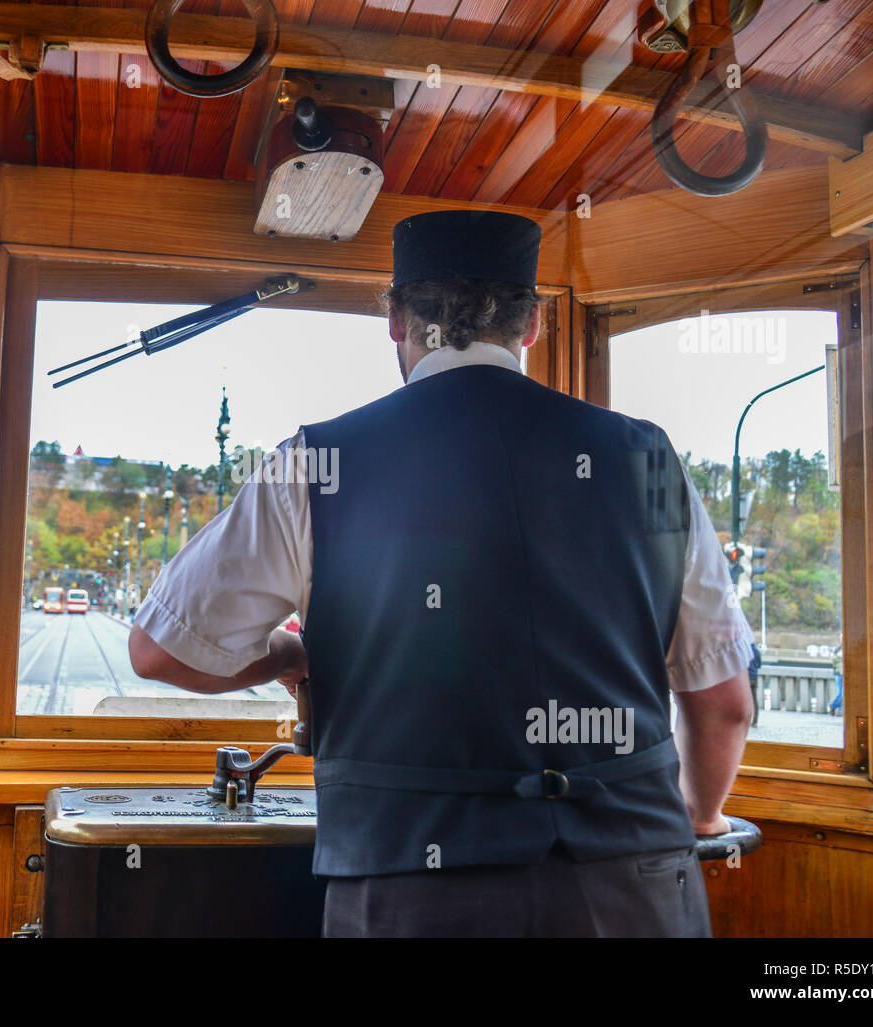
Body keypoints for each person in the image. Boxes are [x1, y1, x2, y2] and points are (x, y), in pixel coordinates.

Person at [127, 210, 753, 938]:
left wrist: (290, 657)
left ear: (396, 319)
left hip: (410, 891)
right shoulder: (651, 461)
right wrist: (698, 816)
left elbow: (159, 649)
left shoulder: (315, 464)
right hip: (635, 887)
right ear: (533, 324)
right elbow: (722, 704)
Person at [748, 645, 762, 726]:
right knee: (754, 700)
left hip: (746, 678)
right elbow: (759, 665)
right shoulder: (757, 651)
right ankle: (755, 721)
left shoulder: (745, 650)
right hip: (754, 678)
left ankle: (745, 720)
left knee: (745, 700)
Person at [829, 638, 844, 715]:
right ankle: (833, 706)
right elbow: (833, 661)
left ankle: (841, 711)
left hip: (845, 674)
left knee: (843, 694)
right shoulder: (837, 650)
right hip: (838, 674)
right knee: (840, 694)